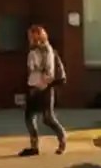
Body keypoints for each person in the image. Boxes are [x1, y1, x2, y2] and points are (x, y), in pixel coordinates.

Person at [17, 25, 67, 157]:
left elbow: (48, 70)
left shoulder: (46, 50)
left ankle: (62, 140)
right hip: (34, 87)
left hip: (44, 88)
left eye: (31, 35)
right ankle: (34, 146)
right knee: (29, 116)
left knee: (48, 118)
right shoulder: (33, 50)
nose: (29, 38)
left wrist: (43, 83)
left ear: (38, 35)